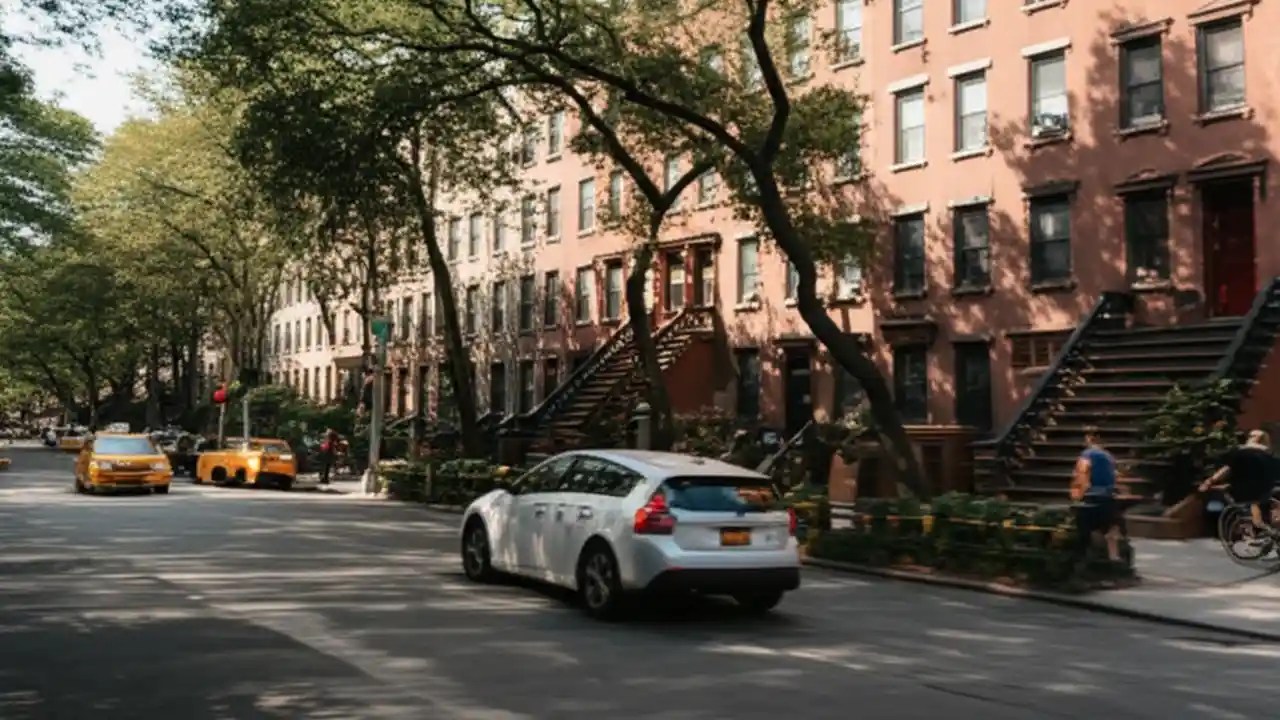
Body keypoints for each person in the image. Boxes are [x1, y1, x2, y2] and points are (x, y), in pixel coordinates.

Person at [1199, 429, 1279, 538]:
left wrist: (1209, 481)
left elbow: (1227, 469)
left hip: (1245, 490)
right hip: (1267, 488)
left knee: (1246, 506)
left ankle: (1255, 529)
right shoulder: (1270, 454)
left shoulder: (1242, 452)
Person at [1071, 426, 1124, 562]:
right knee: (1111, 528)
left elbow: (1082, 473)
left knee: (1085, 530)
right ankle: (1113, 558)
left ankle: (1084, 560)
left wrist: (1077, 493)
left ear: (1089, 439)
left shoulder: (1087, 455)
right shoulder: (1108, 456)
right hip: (1108, 496)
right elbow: (1115, 475)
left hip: (1091, 496)